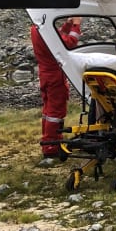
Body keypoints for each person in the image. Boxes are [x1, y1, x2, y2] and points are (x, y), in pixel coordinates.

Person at [31, 18, 82, 164]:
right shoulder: (45, 31)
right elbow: (69, 42)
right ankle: (51, 148)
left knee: (48, 112)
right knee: (55, 113)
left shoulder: (36, 28)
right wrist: (76, 24)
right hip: (54, 76)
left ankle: (48, 142)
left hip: (45, 74)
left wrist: (67, 24)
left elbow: (56, 35)